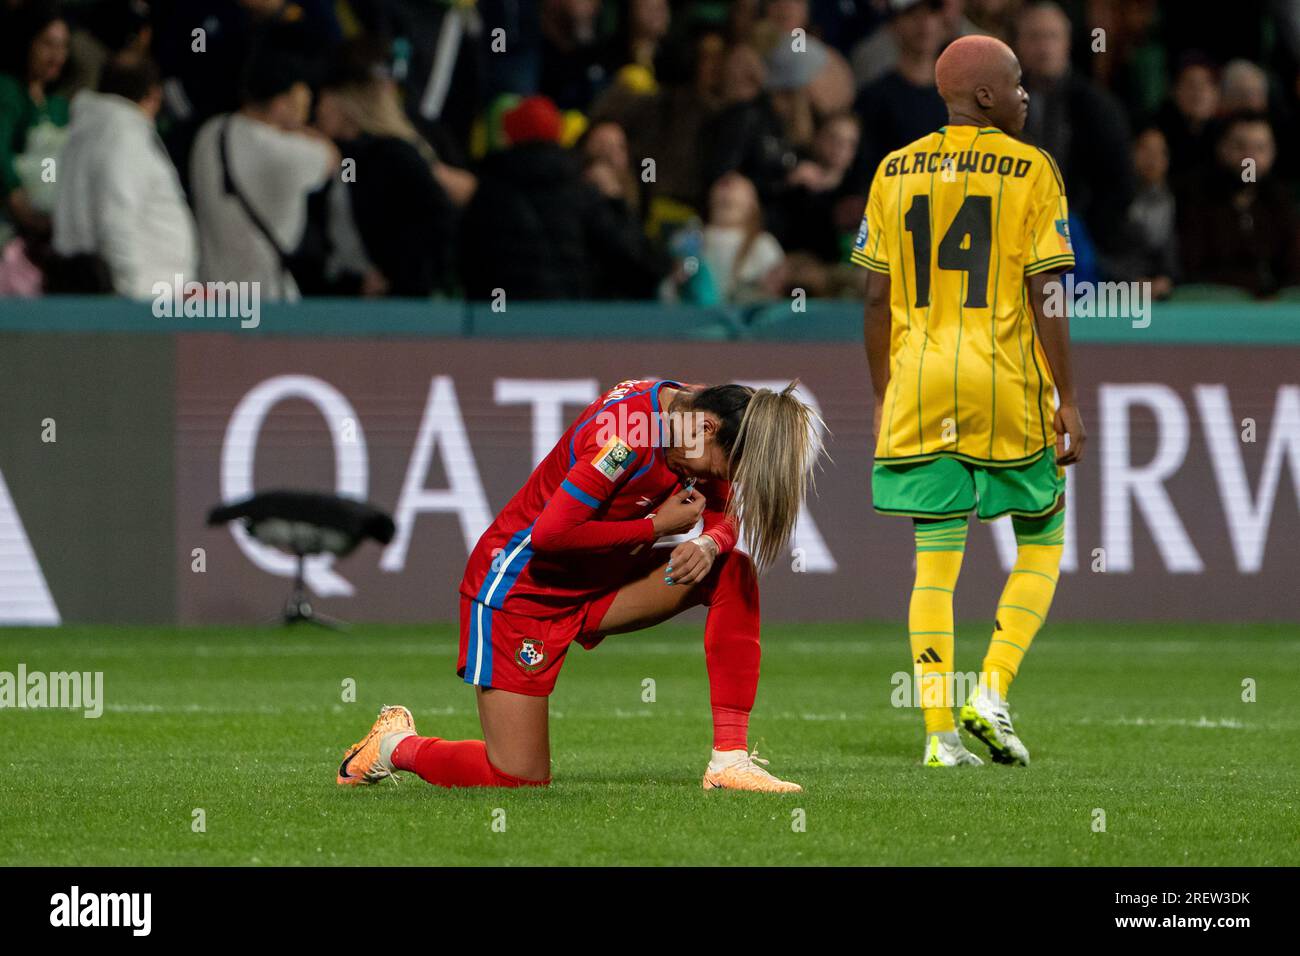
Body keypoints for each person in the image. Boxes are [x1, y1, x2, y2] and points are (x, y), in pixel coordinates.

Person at [337, 380, 823, 792]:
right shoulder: (625, 438)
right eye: (719, 469)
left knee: (730, 570)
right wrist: (654, 528)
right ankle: (393, 746)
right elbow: (551, 537)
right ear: (707, 431)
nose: (714, 480)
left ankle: (729, 763)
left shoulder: (701, 415)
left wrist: (711, 544)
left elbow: (723, 515)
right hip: (521, 592)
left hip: (602, 581)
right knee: (518, 779)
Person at [856, 33, 1086, 768]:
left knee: (934, 559)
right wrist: (1069, 397)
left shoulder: (894, 170)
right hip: (1002, 378)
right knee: (1044, 536)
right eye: (1017, 84)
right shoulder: (1031, 168)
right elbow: (1046, 289)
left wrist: (882, 395)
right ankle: (989, 690)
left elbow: (873, 296)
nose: (1026, 95)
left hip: (920, 379)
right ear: (985, 96)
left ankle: (937, 736)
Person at [188, 49, 339, 300]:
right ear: (281, 104)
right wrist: (298, 129)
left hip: (211, 293)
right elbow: (333, 159)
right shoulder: (289, 153)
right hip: (267, 300)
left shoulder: (211, 132)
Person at [52, 56, 196, 298]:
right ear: (154, 95)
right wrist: (128, 303)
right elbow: (116, 219)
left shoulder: (88, 131)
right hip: (137, 305)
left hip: (114, 297)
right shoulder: (123, 136)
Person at [0, 0, 70, 246]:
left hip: (50, 233)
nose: (57, 57)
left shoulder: (59, 106)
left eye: (63, 47)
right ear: (26, 42)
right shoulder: (8, 92)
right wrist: (21, 207)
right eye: (48, 45)